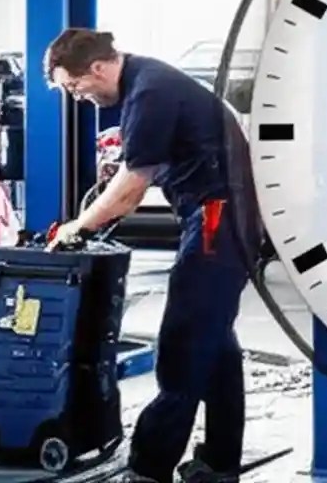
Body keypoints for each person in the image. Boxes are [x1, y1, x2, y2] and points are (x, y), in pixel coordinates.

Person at [44, 29, 262, 483]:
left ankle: (148, 468)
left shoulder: (150, 92)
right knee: (215, 343)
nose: (77, 96)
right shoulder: (147, 83)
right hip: (222, 218)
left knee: (183, 341)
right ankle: (221, 462)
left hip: (217, 221)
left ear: (99, 68)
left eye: (74, 86)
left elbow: (128, 191)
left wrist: (78, 227)